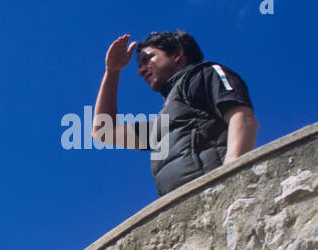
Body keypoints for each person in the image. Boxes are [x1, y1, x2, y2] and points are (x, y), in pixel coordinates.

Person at [91, 29, 259, 197]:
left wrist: (229, 179)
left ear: (178, 54)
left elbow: (242, 118)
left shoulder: (203, 75)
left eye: (147, 59)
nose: (140, 71)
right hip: (183, 212)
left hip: (217, 196)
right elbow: (103, 132)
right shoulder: (162, 124)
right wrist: (112, 72)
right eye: (140, 65)